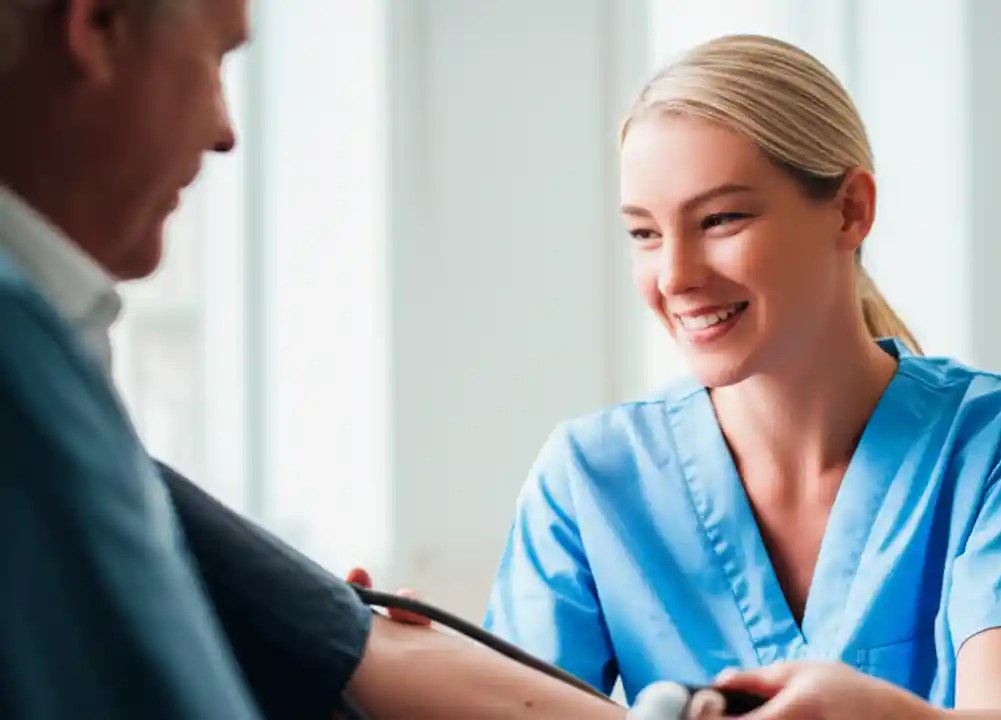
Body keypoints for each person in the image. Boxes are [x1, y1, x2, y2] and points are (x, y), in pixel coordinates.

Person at [0, 0, 623, 717]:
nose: (226, 132)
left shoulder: (48, 352)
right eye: (217, 60)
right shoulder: (22, 362)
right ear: (98, 26)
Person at [483, 34, 1001, 719]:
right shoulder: (588, 477)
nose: (674, 276)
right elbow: (513, 704)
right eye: (644, 233)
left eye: (720, 219)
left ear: (850, 209)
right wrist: (373, 656)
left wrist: (866, 712)